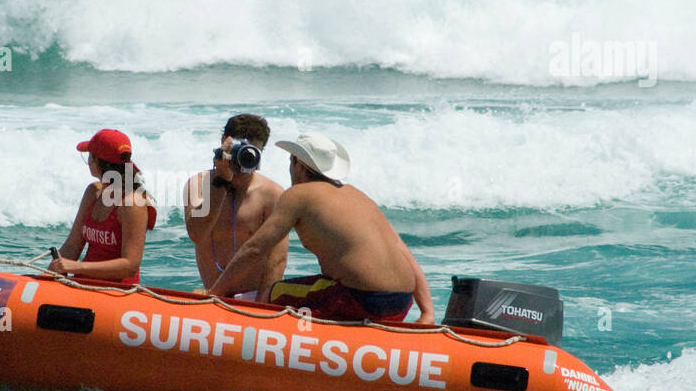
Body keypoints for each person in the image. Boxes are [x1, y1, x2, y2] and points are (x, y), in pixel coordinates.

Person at [207, 131, 434, 323]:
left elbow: (255, 249)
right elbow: (403, 251)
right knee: (318, 287)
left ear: (298, 164)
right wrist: (427, 312)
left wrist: (214, 293)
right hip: (401, 303)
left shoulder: (298, 195)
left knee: (272, 293)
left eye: (291, 162)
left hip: (360, 300)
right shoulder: (357, 195)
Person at [183, 114, 287, 300]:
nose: (245, 157)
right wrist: (222, 180)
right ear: (224, 142)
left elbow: (277, 260)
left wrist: (264, 307)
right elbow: (197, 233)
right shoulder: (198, 185)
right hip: (212, 296)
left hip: (255, 296)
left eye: (253, 151)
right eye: (241, 149)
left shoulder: (272, 194)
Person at [49, 129, 156, 285]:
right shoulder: (93, 192)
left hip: (117, 292)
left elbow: (130, 265)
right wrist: (48, 274)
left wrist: (78, 267)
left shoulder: (132, 203)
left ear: (97, 161)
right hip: (81, 285)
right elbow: (72, 246)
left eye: (89, 156)